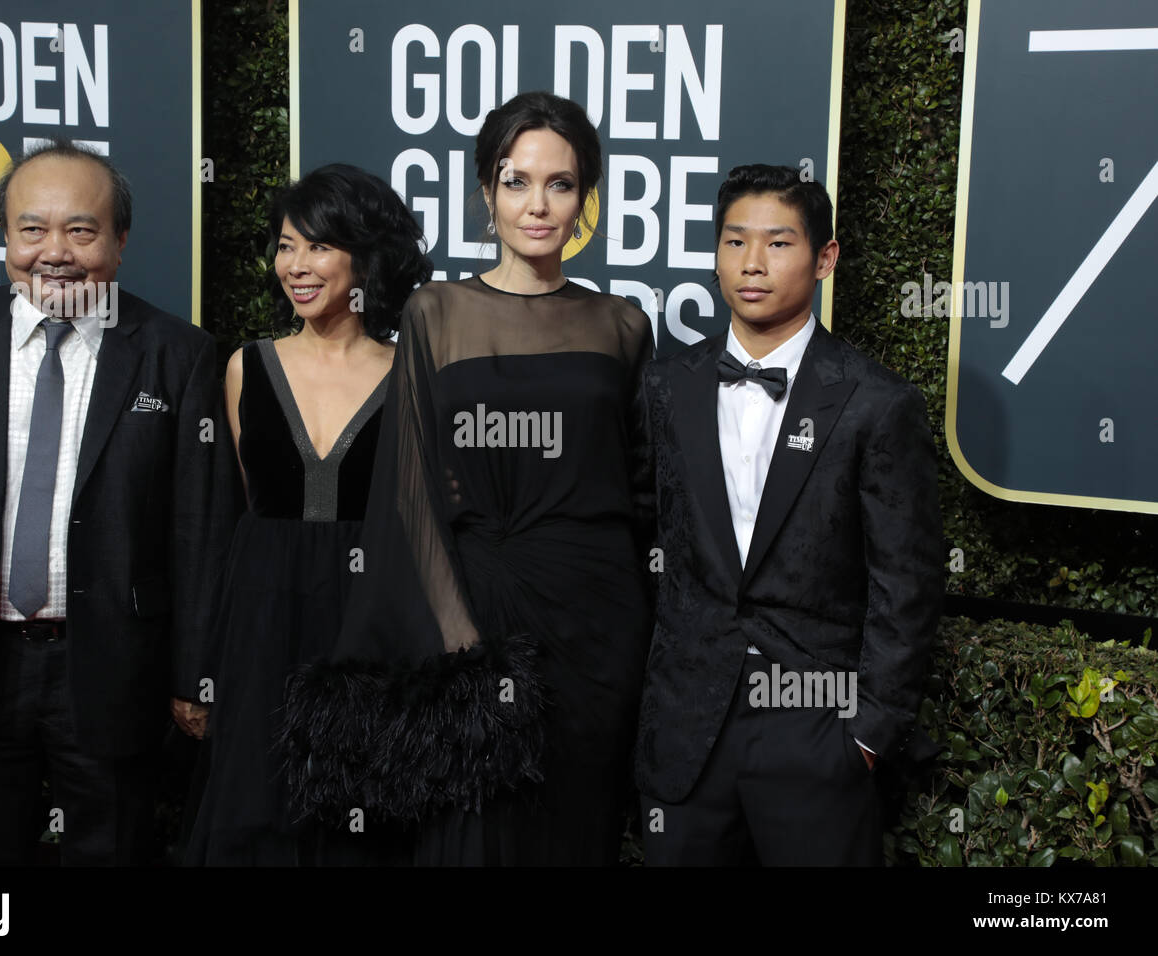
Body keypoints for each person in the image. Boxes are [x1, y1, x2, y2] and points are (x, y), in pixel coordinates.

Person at [279, 91, 655, 866]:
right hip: (479, 612)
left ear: (585, 195)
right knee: (471, 839)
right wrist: (464, 650)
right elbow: (409, 490)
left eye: (561, 183)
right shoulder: (436, 312)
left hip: (598, 622)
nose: (538, 205)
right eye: (517, 181)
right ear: (487, 190)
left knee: (578, 835)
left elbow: (645, 488)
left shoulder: (622, 323)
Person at [0, 140, 239, 865]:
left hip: (111, 671)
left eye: (81, 229)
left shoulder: (178, 355)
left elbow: (199, 529)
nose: (55, 252)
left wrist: (191, 673)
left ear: (121, 239)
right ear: (5, 236)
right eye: (31, 229)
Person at [634, 164, 943, 865]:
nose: (752, 263)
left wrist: (866, 735)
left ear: (824, 258)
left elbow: (908, 582)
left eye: (778, 244)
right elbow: (639, 537)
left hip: (816, 730)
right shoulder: (666, 386)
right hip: (685, 733)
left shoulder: (877, 402)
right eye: (735, 241)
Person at [186, 165, 432, 865]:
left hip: (371, 625)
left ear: (365, 257)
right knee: (253, 815)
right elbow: (231, 519)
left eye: (318, 246)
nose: (295, 265)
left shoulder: (414, 374)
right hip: (259, 626)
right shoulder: (245, 368)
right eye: (285, 245)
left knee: (363, 822)